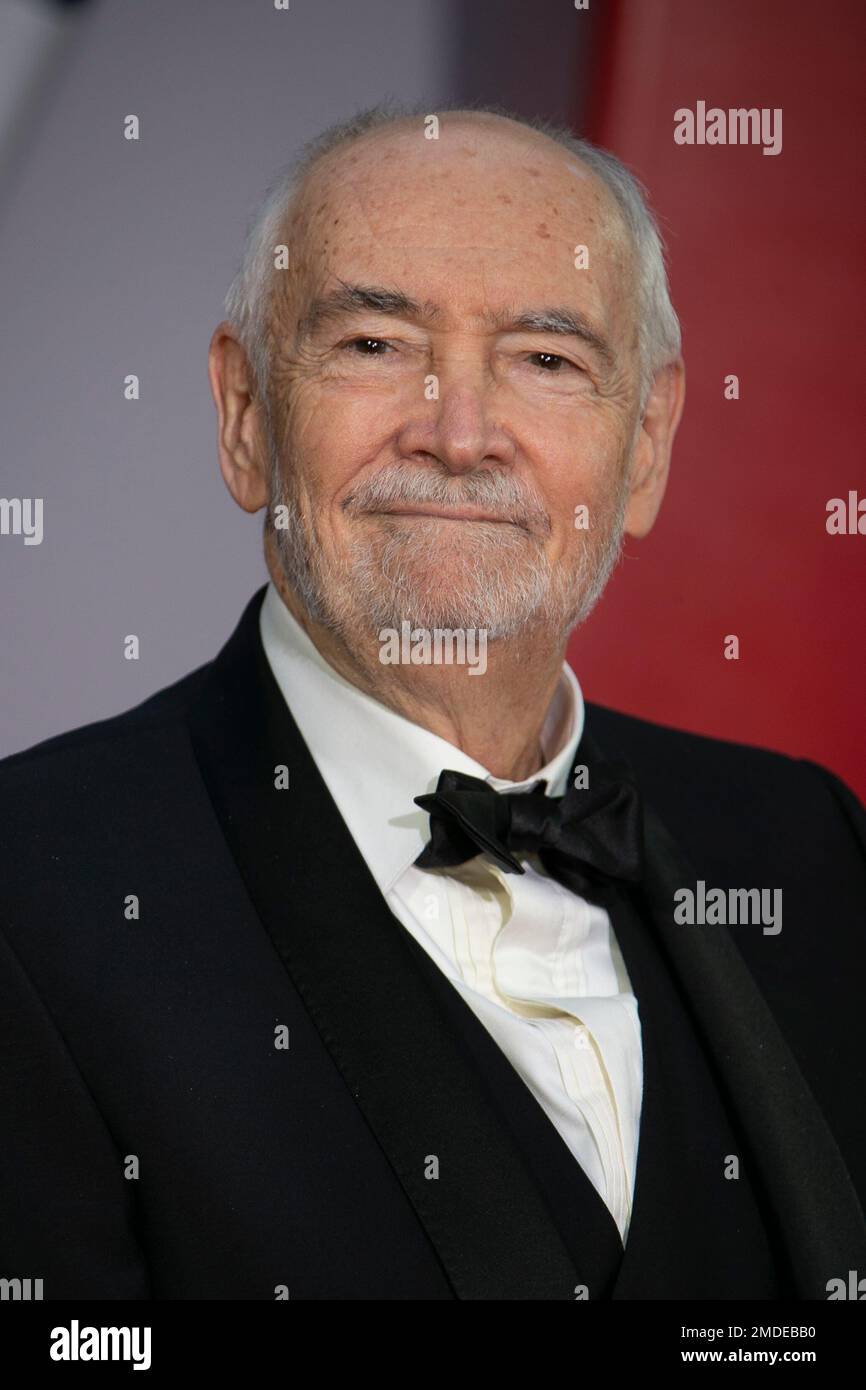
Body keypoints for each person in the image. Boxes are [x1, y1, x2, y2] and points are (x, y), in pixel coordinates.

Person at [1, 102, 864, 1301]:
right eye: (371, 343)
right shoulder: (33, 892)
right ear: (245, 412)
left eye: (546, 360)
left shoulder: (807, 845)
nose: (459, 436)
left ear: (646, 446)